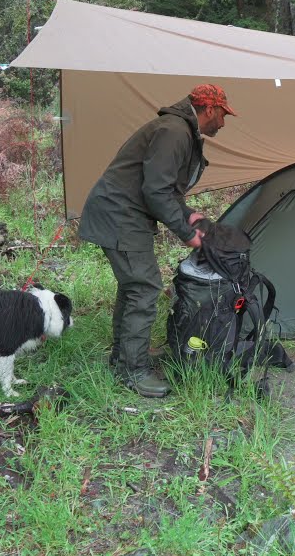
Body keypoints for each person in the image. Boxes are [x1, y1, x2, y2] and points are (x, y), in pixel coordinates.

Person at [79, 84, 236, 397]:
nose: (222, 122)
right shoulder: (174, 131)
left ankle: (124, 359)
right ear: (209, 109)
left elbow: (163, 188)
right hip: (120, 215)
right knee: (144, 288)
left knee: (133, 287)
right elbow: (155, 191)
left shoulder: (178, 129)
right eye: (222, 115)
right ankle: (133, 371)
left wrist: (187, 214)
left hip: (124, 214)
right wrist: (187, 233)